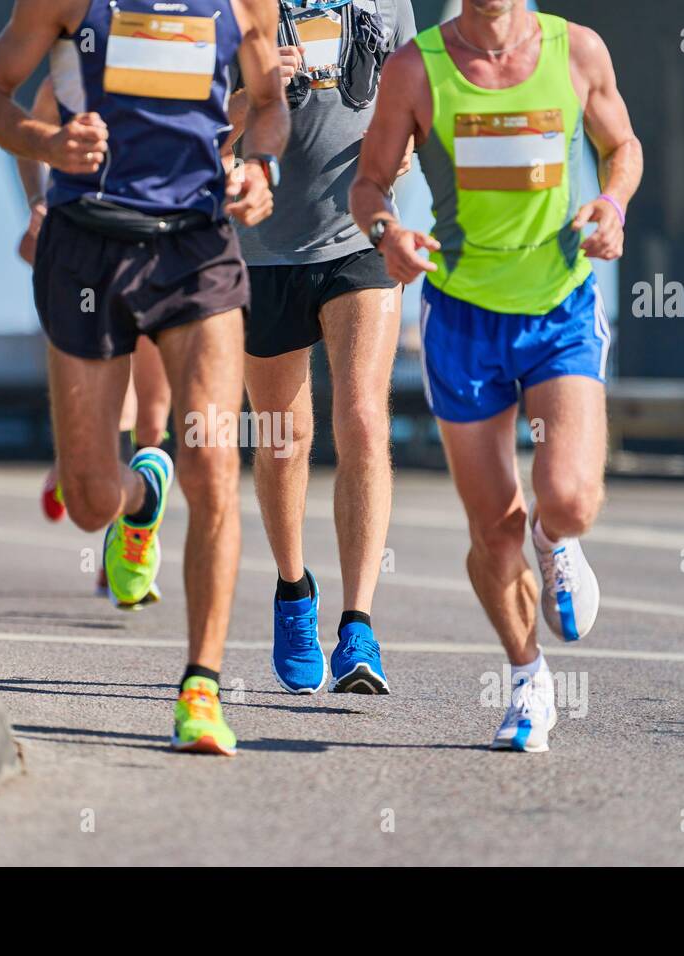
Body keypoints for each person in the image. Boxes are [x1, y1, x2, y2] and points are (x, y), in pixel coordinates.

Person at [0, 0, 288, 755]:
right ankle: (141, 495)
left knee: (213, 461)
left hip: (197, 247)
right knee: (87, 502)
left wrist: (261, 165)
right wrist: (47, 141)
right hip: (88, 247)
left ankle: (201, 687)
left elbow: (270, 100)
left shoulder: (246, 4)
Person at [350, 0, 642, 750]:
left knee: (569, 500)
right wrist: (388, 234)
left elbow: (624, 146)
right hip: (463, 320)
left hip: (558, 310)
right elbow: (370, 183)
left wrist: (610, 204)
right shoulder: (416, 69)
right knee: (492, 530)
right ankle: (526, 678)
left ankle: (558, 541)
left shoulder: (576, 51)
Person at [226, 0, 416, 696]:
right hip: (262, 250)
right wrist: (252, 93)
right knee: (283, 437)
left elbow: (412, 95)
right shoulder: (244, 6)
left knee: (364, 417)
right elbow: (203, 122)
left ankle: (359, 623)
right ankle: (293, 592)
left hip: (359, 238)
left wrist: (404, 154)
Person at [20, 79, 172, 592]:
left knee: (153, 416)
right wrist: (38, 203)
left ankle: (131, 526)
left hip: (170, 243)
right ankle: (83, 478)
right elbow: (28, 128)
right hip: (91, 249)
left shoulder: (190, 38)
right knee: (115, 409)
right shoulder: (80, 55)